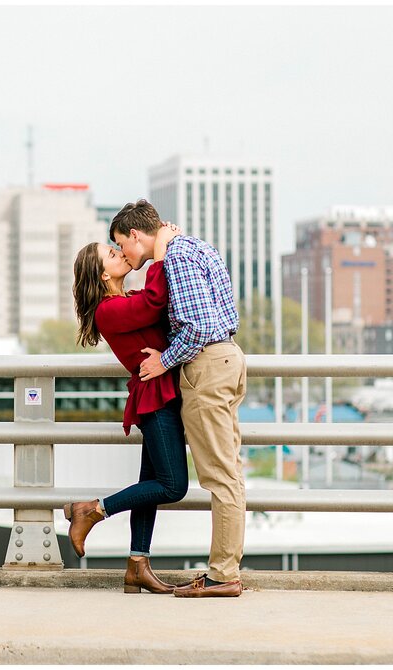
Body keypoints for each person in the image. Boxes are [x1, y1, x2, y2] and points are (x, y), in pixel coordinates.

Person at [109, 198, 246, 598]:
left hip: (206, 367)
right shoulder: (197, 247)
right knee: (230, 472)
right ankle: (225, 570)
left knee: (220, 476)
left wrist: (165, 360)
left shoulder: (175, 258)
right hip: (227, 359)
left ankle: (223, 576)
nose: (126, 255)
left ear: (136, 235)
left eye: (123, 244)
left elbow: (199, 326)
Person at [66, 223, 187, 594]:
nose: (119, 252)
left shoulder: (124, 300)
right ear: (103, 274)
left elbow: (157, 310)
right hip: (155, 399)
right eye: (111, 252)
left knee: (150, 484)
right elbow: (155, 303)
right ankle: (92, 510)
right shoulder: (108, 310)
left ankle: (137, 565)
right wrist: (163, 249)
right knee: (172, 485)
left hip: (162, 390)